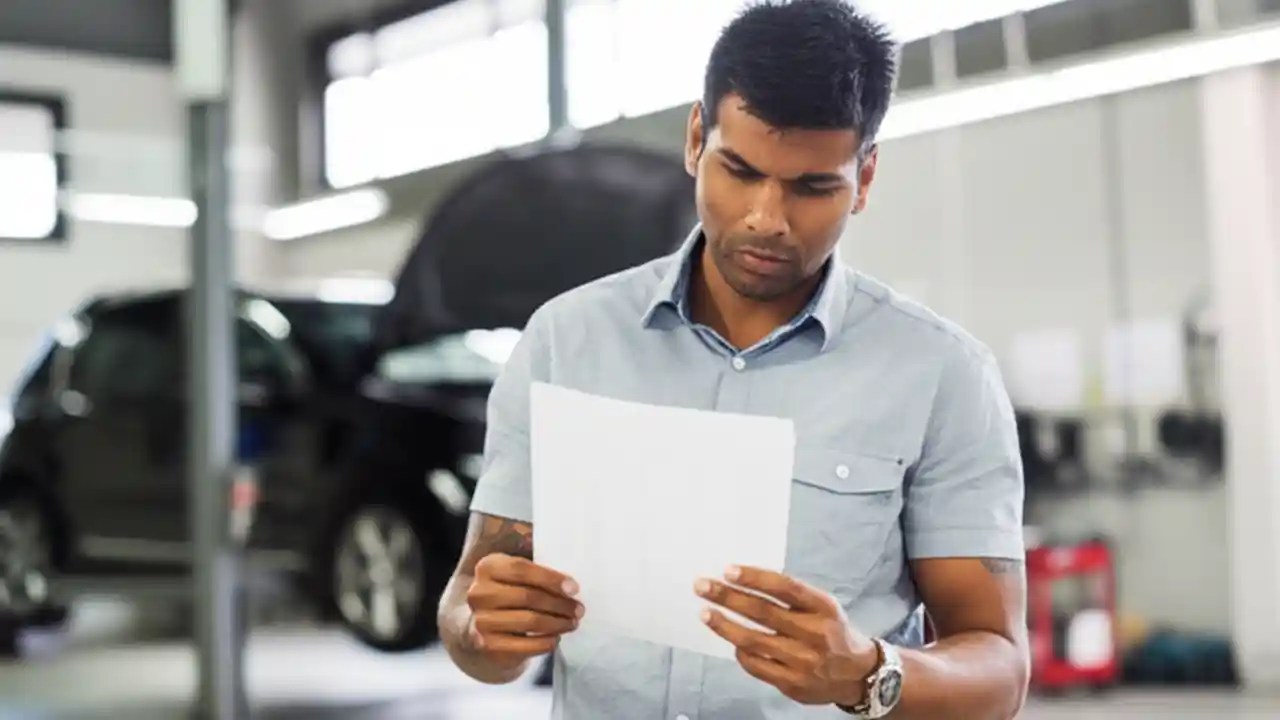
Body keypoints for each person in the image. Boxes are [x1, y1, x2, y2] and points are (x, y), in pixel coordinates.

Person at [436, 1, 1029, 717]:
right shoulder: (567, 342)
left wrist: (868, 673)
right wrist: (483, 630)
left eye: (814, 187)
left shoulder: (942, 376)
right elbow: (470, 602)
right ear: (695, 139)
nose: (766, 219)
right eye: (740, 170)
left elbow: (998, 667)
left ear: (864, 177)